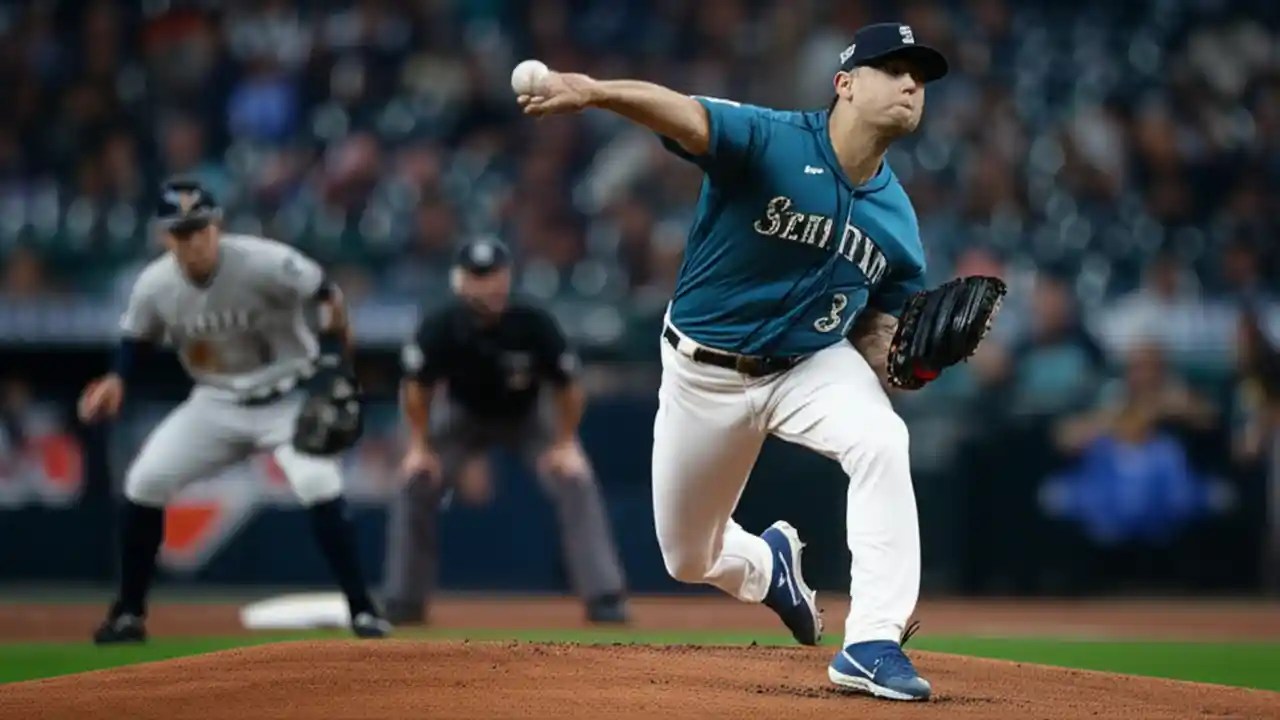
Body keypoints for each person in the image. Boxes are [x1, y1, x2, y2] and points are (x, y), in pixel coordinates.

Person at [520, 22, 947, 701]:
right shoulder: (774, 140)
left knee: (882, 441)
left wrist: (907, 365)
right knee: (687, 555)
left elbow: (880, 330)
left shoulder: (897, 218)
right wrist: (595, 92)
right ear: (844, 83)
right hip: (705, 372)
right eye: (893, 69)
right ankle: (767, 567)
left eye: (919, 77)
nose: (910, 84)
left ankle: (872, 641)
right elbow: (687, 114)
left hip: (810, 363)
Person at [79, 179, 390, 643]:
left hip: (287, 396)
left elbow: (327, 295)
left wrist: (335, 368)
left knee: (317, 482)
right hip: (216, 402)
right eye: (181, 232)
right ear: (164, 237)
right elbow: (135, 336)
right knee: (144, 481)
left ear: (217, 226)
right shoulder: (155, 284)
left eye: (200, 228)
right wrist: (118, 378)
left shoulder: (264, 261)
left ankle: (362, 609)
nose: (193, 241)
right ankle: (128, 612)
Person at [383, 237, 628, 625]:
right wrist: (419, 446)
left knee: (575, 478)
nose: (489, 285)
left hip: (527, 417)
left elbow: (568, 385)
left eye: (495, 274)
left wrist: (565, 443)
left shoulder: (531, 322)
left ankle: (604, 596)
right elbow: (416, 388)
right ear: (460, 281)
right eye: (479, 276)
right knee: (415, 481)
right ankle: (403, 600)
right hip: (463, 417)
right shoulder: (442, 325)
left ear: (508, 276)